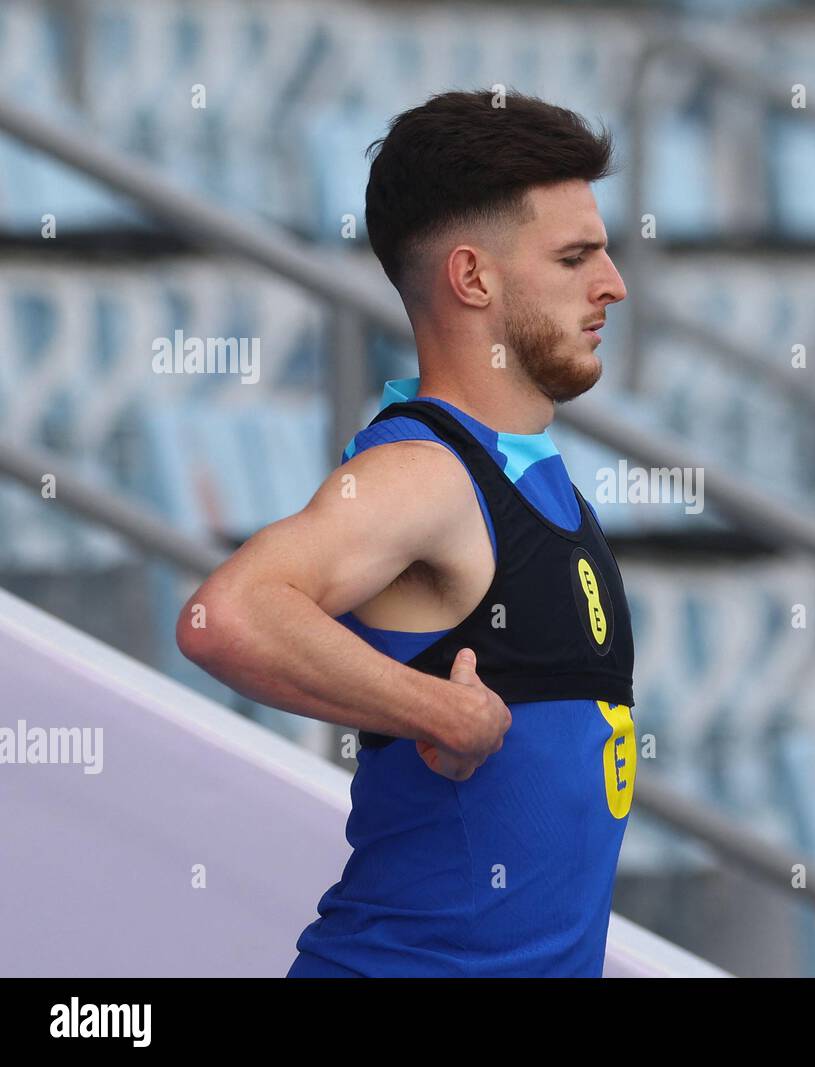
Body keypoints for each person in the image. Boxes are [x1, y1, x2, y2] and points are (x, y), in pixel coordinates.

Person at [176, 88, 637, 977]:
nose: (612, 283)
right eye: (577, 257)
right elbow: (223, 615)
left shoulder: (528, 475)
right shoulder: (423, 474)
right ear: (473, 278)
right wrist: (435, 709)